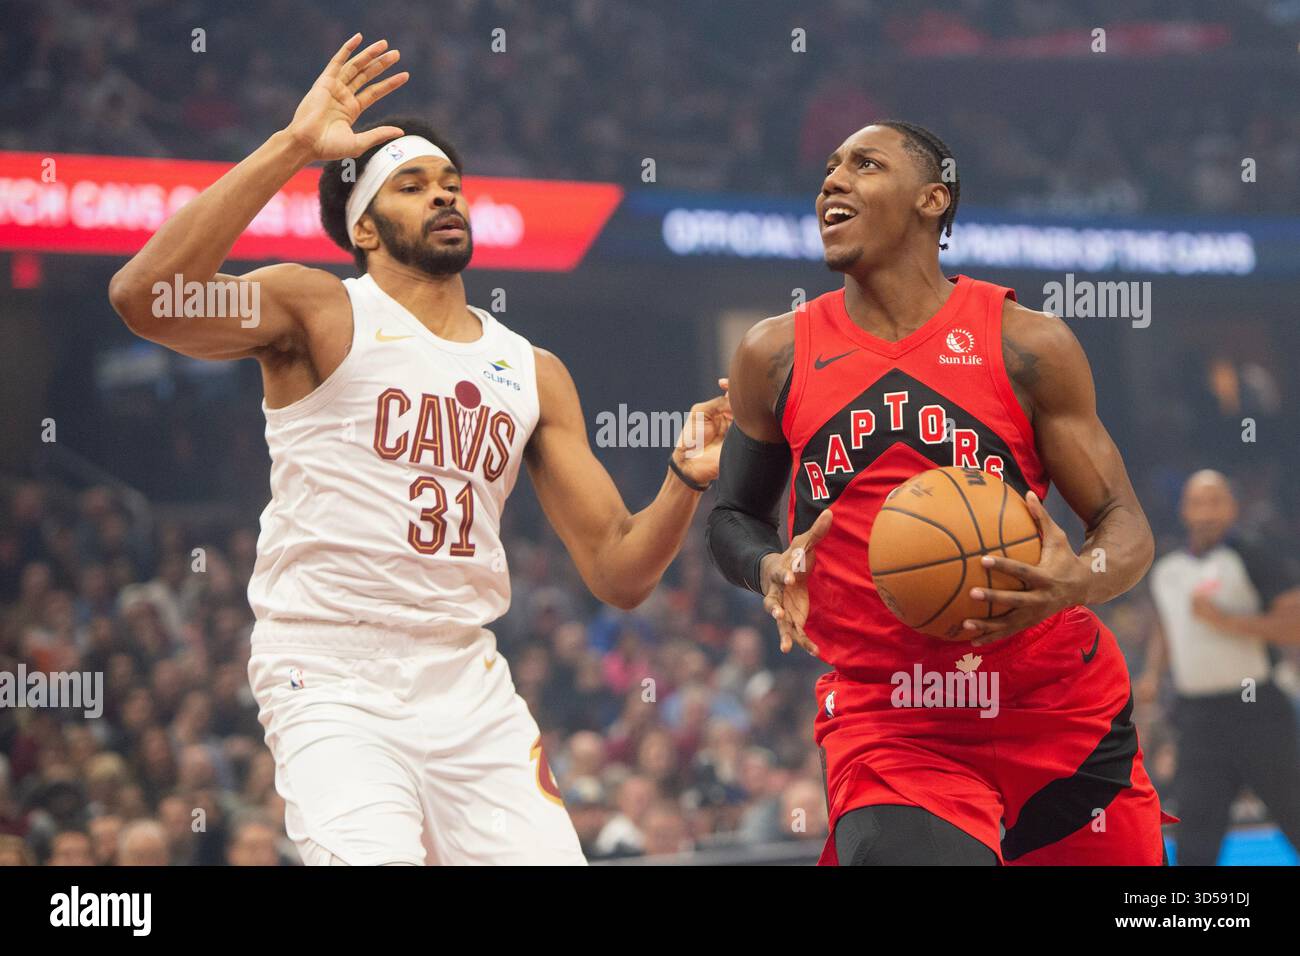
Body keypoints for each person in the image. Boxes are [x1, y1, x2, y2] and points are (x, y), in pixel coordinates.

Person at [109, 34, 731, 865]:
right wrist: (293, 146)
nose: (444, 198)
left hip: (465, 674)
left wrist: (684, 480)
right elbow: (145, 300)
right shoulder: (319, 308)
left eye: (451, 185)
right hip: (329, 667)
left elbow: (619, 572)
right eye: (411, 185)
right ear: (362, 225)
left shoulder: (532, 371)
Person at [707, 120, 1173, 865]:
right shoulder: (775, 352)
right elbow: (731, 517)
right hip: (892, 721)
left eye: (864, 164)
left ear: (932, 198)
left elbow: (1124, 524)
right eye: (828, 169)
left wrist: (1076, 580)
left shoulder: (1028, 344)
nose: (831, 180)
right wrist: (768, 567)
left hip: (1054, 704)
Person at [1140, 470, 1300, 865]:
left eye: (1216, 501)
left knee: (1295, 815)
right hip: (1198, 719)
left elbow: (1294, 624)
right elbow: (1166, 625)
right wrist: (1152, 674)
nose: (1207, 512)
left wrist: (1226, 622)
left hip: (1258, 711)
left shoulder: (1254, 554)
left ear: (1232, 507)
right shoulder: (1167, 570)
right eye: (1198, 502)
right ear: (1184, 510)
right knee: (1194, 837)